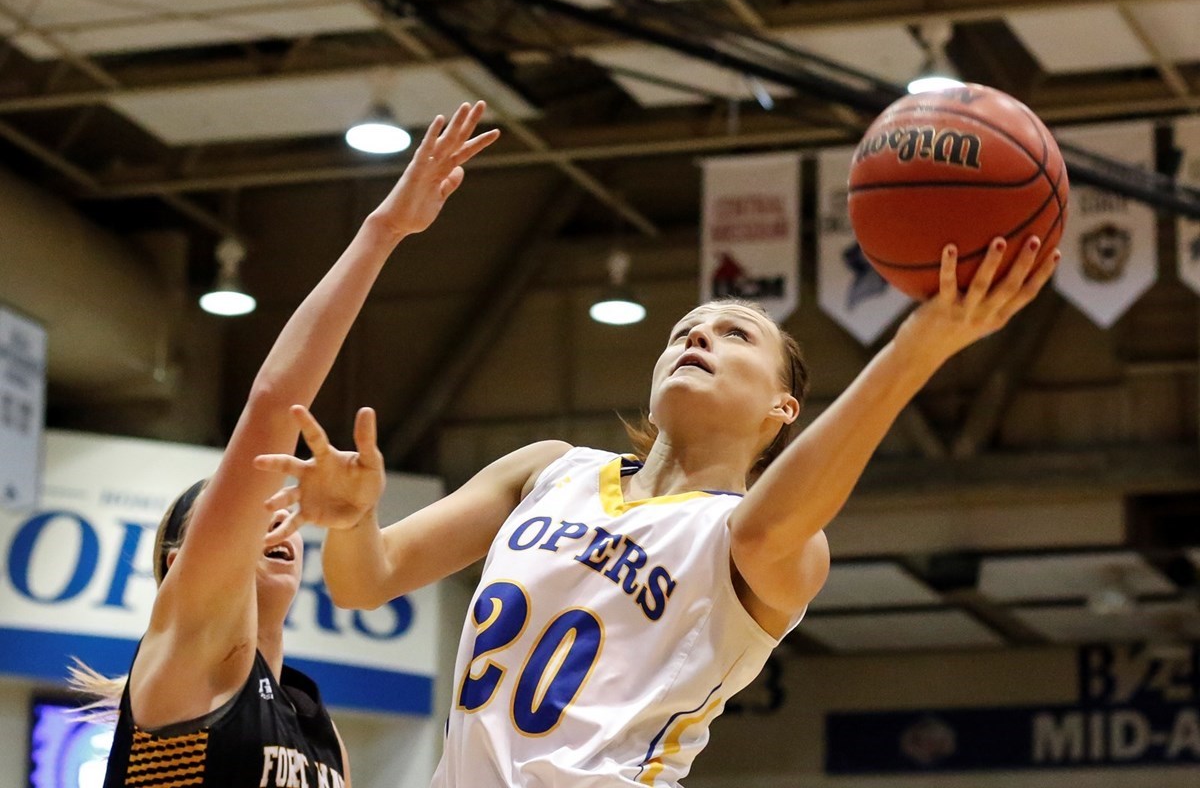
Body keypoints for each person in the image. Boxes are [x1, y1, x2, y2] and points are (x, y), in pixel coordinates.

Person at [257, 235, 1059, 787]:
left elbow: (781, 515)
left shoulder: (762, 542)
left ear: (784, 407)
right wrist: (356, 519)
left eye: (734, 333)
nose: (697, 337)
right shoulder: (551, 470)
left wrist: (917, 346)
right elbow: (368, 583)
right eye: (683, 331)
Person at [68, 101, 499, 788]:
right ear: (184, 563)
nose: (276, 515)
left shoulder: (314, 719)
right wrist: (383, 231)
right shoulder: (188, 656)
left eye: (284, 506)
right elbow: (273, 406)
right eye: (247, 507)